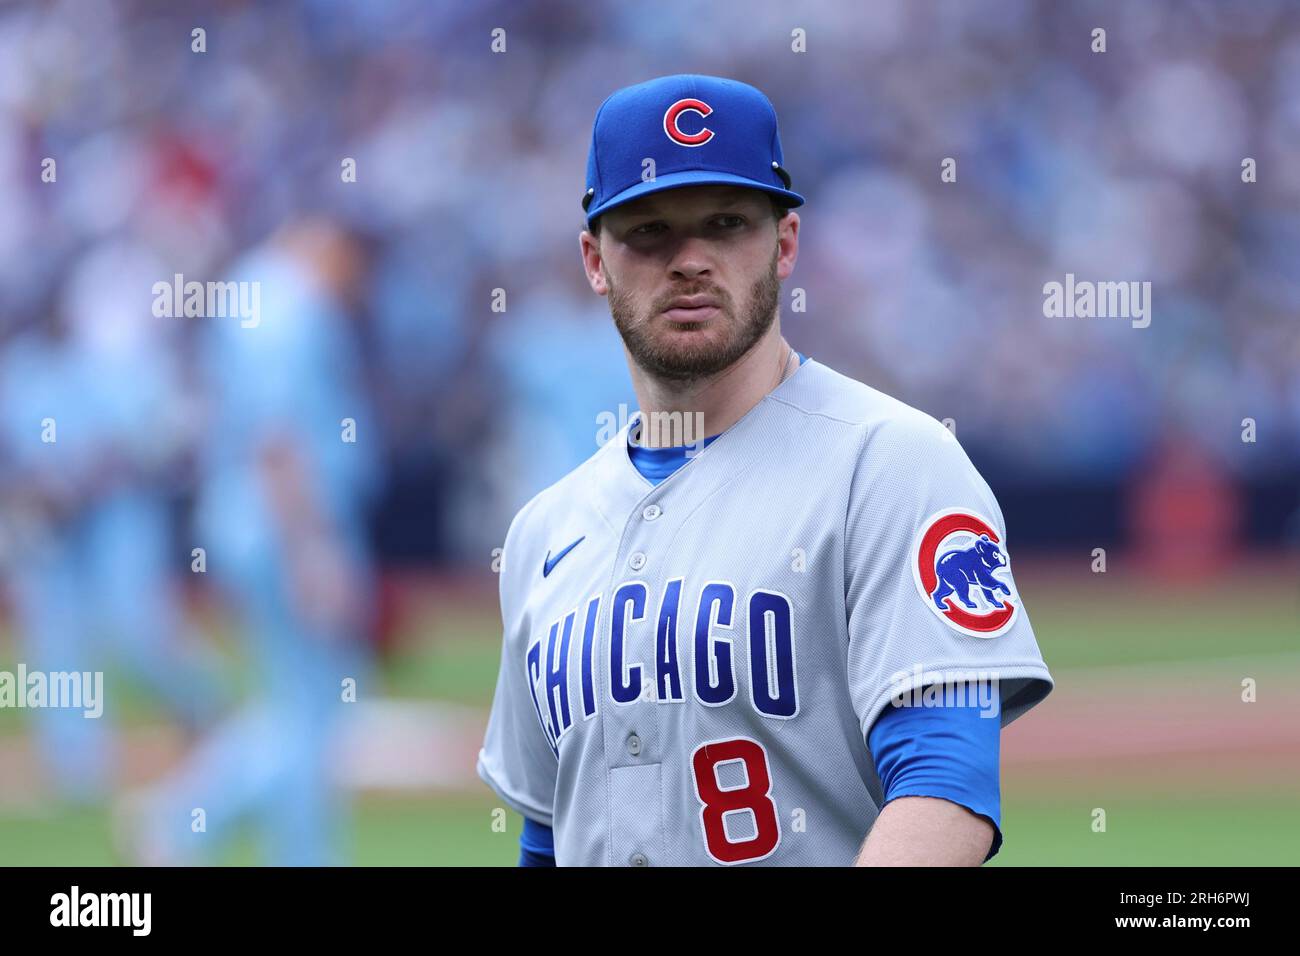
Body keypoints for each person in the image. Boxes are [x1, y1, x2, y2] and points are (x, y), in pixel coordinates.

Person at [477, 74, 1054, 866]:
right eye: (648, 232)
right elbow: (549, 834)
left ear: (785, 244)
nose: (689, 261)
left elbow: (946, 792)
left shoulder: (891, 465)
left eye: (725, 224)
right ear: (594, 261)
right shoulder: (543, 532)